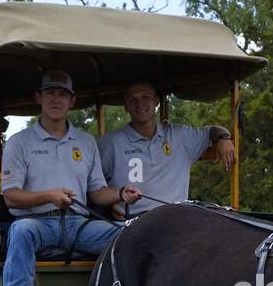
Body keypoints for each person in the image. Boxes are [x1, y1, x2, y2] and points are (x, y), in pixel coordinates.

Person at [0, 70, 141, 286]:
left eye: (62, 94)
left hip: (78, 225)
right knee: (20, 232)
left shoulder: (85, 142)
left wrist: (121, 193)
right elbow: (11, 196)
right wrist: (49, 196)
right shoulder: (20, 142)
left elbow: (97, 193)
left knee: (128, 235)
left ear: (72, 101)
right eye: (50, 93)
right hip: (37, 224)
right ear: (38, 97)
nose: (56, 99)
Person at [97, 80, 235, 213]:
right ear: (126, 106)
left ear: (157, 101)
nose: (140, 103)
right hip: (132, 222)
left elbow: (212, 131)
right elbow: (93, 186)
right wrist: (110, 205)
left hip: (176, 219)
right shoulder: (109, 143)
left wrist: (224, 138)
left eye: (146, 97)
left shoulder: (180, 135)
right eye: (133, 99)